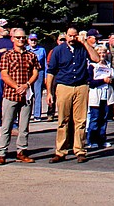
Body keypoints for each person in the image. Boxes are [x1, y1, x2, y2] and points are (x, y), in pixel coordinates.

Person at [44, 26, 103, 163]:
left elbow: (96, 58)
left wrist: (86, 44)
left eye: (74, 36)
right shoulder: (58, 51)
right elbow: (51, 72)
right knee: (63, 120)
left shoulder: (83, 48)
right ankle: (61, 151)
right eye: (69, 36)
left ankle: (80, 150)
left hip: (81, 86)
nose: (72, 38)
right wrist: (49, 92)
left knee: (80, 121)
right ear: (66, 35)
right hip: (64, 86)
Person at [0, 28, 38, 165]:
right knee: (6, 125)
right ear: (13, 39)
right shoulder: (7, 55)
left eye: (23, 38)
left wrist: (26, 85)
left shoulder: (31, 56)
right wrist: (16, 87)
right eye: (18, 37)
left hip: (26, 95)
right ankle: (2, 154)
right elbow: (4, 74)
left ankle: (21, 152)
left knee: (24, 126)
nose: (21, 40)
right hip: (10, 94)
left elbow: (35, 72)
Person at [85, 44, 114, 150]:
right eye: (100, 52)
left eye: (104, 52)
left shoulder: (108, 65)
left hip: (106, 95)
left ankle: (102, 139)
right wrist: (103, 80)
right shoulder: (92, 66)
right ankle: (91, 140)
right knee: (95, 118)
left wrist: (109, 80)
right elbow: (91, 82)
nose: (102, 54)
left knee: (104, 118)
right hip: (95, 95)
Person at [28, 34, 48, 121]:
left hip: (39, 72)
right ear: (28, 41)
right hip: (28, 73)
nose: (33, 42)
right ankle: (26, 114)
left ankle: (37, 115)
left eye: (35, 40)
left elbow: (45, 64)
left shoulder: (41, 50)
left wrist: (46, 76)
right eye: (31, 40)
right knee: (28, 94)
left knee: (38, 94)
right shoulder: (26, 49)